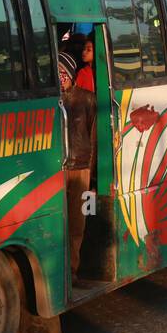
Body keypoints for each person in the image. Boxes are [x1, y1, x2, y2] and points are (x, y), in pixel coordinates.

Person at [60, 49, 96, 275]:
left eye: (63, 72)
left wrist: (93, 181)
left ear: (71, 75)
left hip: (82, 171)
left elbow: (94, 139)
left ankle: (73, 271)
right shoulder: (51, 100)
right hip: (57, 171)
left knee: (78, 224)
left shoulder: (87, 99)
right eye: (56, 72)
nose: (60, 77)